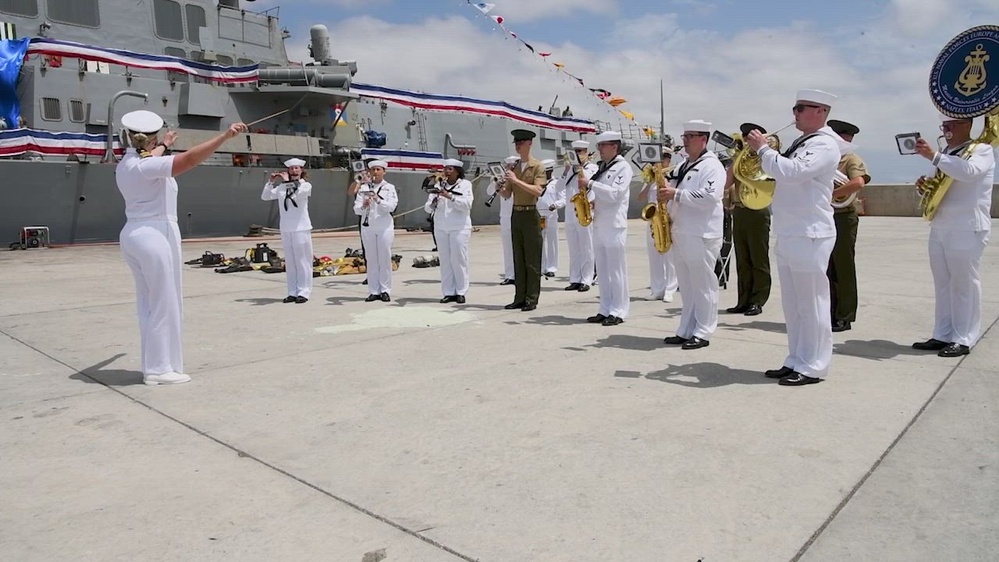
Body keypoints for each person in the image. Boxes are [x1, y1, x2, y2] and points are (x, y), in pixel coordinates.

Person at [116, 110, 247, 386]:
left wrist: (165, 142)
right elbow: (188, 160)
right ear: (149, 142)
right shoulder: (147, 166)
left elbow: (152, 156)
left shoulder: (128, 163)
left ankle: (154, 366)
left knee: (149, 303)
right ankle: (160, 368)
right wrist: (224, 136)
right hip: (155, 233)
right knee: (166, 301)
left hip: (135, 232)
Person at [746, 89, 842, 386]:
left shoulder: (824, 144)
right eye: (796, 108)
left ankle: (814, 365)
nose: (795, 113)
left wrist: (763, 149)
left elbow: (794, 171)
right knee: (794, 304)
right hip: (790, 230)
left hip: (810, 231)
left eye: (801, 108)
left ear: (821, 111)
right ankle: (796, 359)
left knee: (812, 303)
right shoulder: (803, 142)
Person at [911, 113, 996, 357]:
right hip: (941, 225)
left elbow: (969, 172)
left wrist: (934, 156)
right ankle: (943, 334)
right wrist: (923, 188)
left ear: (967, 125)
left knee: (964, 283)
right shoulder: (946, 153)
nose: (946, 130)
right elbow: (936, 187)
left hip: (967, 225)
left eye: (950, 125)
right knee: (943, 283)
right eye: (944, 125)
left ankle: (964, 338)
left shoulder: (981, 150)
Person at [659, 120, 726, 349]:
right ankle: (686, 329)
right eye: (684, 135)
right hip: (682, 230)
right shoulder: (686, 164)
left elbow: (709, 196)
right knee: (686, 285)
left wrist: (674, 193)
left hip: (702, 233)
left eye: (690, 136)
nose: (684, 140)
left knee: (703, 284)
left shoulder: (712, 166)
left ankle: (704, 331)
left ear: (703, 139)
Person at [582, 131, 633, 326]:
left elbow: (616, 194)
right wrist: (592, 201)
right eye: (599, 146)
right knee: (602, 270)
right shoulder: (603, 168)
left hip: (614, 225)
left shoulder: (622, 168)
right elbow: (604, 195)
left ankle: (619, 311)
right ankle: (605, 308)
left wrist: (591, 184)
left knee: (616, 270)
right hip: (600, 223)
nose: (599, 150)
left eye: (602, 146)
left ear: (614, 147)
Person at [724, 123, 772, 316]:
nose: (746, 141)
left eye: (749, 137)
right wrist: (734, 162)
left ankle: (758, 300)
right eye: (744, 137)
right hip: (740, 209)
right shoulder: (739, 159)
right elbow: (727, 183)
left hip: (758, 209)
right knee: (743, 258)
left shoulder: (765, 158)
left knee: (758, 257)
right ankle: (743, 300)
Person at [826, 119, 870, 332]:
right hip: (826, 216)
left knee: (843, 267)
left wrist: (830, 194)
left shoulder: (850, 158)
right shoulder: (827, 159)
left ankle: (844, 315)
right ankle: (830, 312)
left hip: (844, 216)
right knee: (826, 268)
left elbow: (858, 182)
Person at [503, 129, 547, 311]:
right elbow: (507, 194)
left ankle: (531, 298)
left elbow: (538, 191)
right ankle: (519, 297)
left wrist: (516, 180)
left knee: (532, 259)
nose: (517, 145)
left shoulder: (537, 166)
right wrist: (499, 185)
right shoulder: (513, 167)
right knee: (518, 258)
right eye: (516, 142)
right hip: (516, 214)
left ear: (530, 143)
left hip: (530, 214)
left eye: (521, 142)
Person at [262, 157, 314, 304]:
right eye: (291, 169)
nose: (294, 171)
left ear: (301, 170)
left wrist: (286, 183)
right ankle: (292, 291)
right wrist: (271, 182)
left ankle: (304, 291)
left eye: (297, 168)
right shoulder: (282, 188)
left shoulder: (306, 186)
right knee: (290, 262)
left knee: (303, 261)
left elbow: (297, 197)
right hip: (286, 228)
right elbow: (265, 197)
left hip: (301, 228)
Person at [425, 158, 473, 303]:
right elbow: (427, 207)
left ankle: (461, 291)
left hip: (459, 227)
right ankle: (448, 291)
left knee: (458, 258)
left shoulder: (465, 185)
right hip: (441, 226)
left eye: (450, 169)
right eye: (445, 168)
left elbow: (467, 205)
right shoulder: (439, 185)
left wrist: (450, 196)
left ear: (457, 171)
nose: (446, 171)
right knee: (445, 260)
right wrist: (434, 202)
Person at [354, 159, 399, 302]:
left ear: (384, 172)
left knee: (384, 258)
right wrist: (363, 205)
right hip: (368, 226)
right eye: (373, 170)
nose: (375, 172)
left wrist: (377, 199)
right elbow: (356, 209)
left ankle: (385, 289)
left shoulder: (389, 188)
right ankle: (374, 290)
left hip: (384, 226)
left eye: (378, 170)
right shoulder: (363, 188)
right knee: (371, 259)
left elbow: (391, 207)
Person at [637, 148, 678, 302]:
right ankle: (657, 289)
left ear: (668, 161)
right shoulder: (650, 178)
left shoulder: (673, 177)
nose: (659, 163)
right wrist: (650, 182)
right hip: (652, 219)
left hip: (666, 218)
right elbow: (640, 197)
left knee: (669, 256)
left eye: (662, 160)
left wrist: (662, 179)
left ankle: (670, 289)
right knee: (654, 255)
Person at [559, 140, 597, 292]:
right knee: (574, 247)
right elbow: (558, 187)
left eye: (581, 151)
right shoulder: (569, 170)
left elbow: (588, 183)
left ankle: (587, 279)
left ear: (587, 152)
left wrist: (580, 169)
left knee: (587, 247)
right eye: (575, 152)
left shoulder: (592, 168)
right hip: (570, 212)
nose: (577, 155)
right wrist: (566, 169)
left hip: (584, 210)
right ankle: (575, 278)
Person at [486, 155, 517, 285]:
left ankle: (520, 274)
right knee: (507, 247)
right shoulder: (501, 179)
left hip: (517, 214)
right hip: (505, 216)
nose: (506, 168)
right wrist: (495, 182)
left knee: (518, 247)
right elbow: (489, 192)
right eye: (505, 166)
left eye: (509, 166)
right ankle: (510, 275)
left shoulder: (519, 178)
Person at [536, 158, 563, 278]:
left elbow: (563, 198)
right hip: (539, 215)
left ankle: (551, 267)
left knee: (552, 242)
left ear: (551, 170)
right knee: (539, 242)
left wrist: (556, 205)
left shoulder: (556, 184)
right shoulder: (538, 184)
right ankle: (541, 266)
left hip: (551, 215)